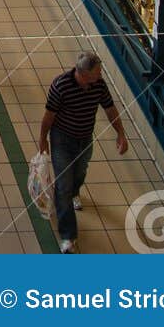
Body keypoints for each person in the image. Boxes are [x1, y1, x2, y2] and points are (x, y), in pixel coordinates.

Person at [39, 51, 128, 253]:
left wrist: (121, 134)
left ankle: (74, 192)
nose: (100, 76)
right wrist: (43, 139)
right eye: (97, 73)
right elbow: (49, 115)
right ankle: (69, 237)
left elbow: (110, 108)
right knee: (63, 184)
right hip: (62, 139)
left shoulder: (99, 85)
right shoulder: (61, 85)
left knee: (80, 172)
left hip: (84, 138)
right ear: (83, 74)